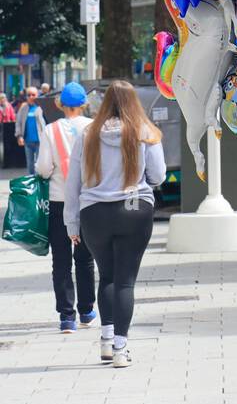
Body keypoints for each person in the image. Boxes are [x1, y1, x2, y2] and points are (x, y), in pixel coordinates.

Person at [64, 81, 166, 369]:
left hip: (94, 212)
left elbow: (73, 182)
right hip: (134, 207)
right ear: (135, 102)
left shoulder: (87, 134)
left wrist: (71, 223)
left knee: (106, 275)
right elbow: (157, 175)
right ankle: (121, 347)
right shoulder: (145, 132)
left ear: (105, 103)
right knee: (125, 280)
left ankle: (106, 341)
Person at [36, 82, 95, 334]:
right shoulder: (94, 128)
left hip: (59, 200)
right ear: (84, 104)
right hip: (88, 200)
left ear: (60, 105)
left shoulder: (51, 130)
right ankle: (86, 310)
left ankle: (66, 316)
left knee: (60, 259)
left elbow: (43, 168)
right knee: (85, 258)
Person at [15, 86, 45, 174]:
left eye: (33, 95)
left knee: (39, 164)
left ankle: (39, 181)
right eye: (29, 95)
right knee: (30, 164)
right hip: (28, 141)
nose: (31, 97)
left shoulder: (41, 108)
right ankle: (32, 182)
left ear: (37, 95)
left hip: (40, 141)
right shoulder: (23, 109)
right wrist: (19, 136)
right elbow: (18, 123)